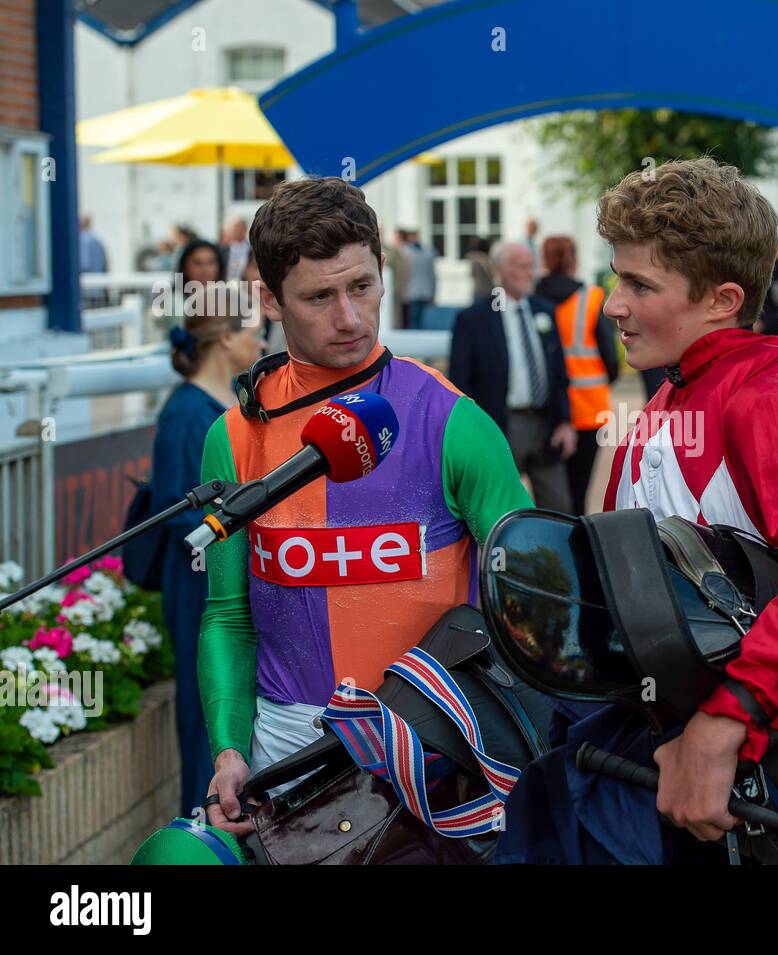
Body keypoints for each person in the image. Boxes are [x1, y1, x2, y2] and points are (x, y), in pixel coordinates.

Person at [495, 156, 778, 863]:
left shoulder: (771, 394)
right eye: (615, 276)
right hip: (649, 769)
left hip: (760, 784)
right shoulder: (661, 404)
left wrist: (729, 717)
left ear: (721, 299)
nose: (613, 305)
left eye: (639, 284)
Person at [200, 177, 533, 836]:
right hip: (290, 754)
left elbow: (530, 601)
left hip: (436, 749)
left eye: (362, 286)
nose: (349, 317)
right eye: (319, 297)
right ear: (268, 298)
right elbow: (229, 615)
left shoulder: (454, 421)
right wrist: (228, 750)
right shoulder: (233, 436)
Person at [152, 297, 265, 818]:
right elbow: (175, 514)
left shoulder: (233, 403)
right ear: (225, 338)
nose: (262, 343)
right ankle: (200, 833)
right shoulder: (184, 412)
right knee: (204, 722)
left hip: (224, 580)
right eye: (254, 332)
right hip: (198, 585)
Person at [449, 240, 577, 513]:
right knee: (500, 509)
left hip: (545, 423)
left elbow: (558, 373)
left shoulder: (545, 310)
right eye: (522, 267)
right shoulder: (474, 319)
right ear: (500, 270)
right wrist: (475, 434)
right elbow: (459, 383)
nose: (530, 273)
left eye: (532, 266)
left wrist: (565, 421)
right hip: (501, 423)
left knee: (560, 508)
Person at [535, 235, 620, 514]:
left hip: (545, 411)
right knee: (579, 491)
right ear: (574, 259)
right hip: (589, 409)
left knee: (549, 495)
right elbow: (610, 358)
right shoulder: (592, 299)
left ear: (544, 259)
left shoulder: (531, 299)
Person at [401, 229, 437, 329]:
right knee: (418, 320)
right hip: (422, 291)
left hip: (414, 291)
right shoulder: (428, 252)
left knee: (415, 320)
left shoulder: (405, 252)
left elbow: (432, 274)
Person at [220, 217, 250, 281]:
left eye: (238, 227)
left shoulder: (252, 250)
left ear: (245, 229)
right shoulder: (223, 250)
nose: (236, 231)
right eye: (234, 228)